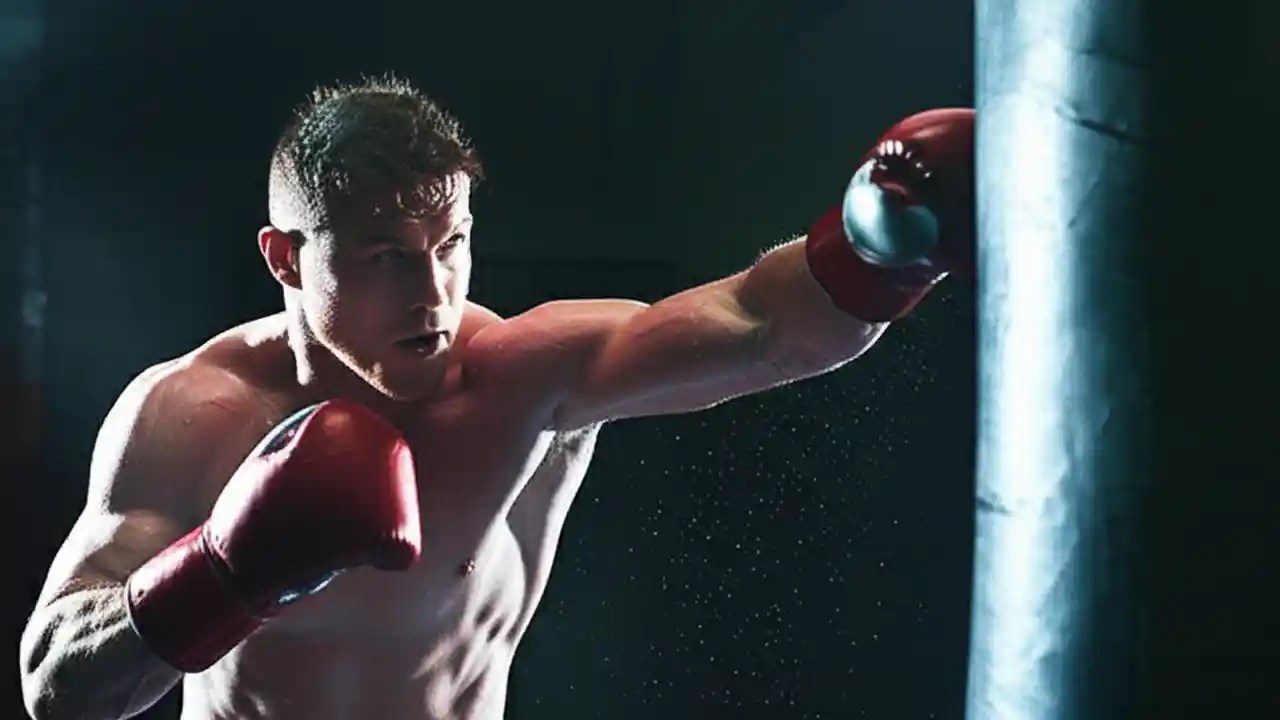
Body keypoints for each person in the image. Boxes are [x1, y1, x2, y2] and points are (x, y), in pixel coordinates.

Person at [18, 74, 974, 720]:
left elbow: (765, 328)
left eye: (449, 245)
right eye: (386, 257)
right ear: (285, 258)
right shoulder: (193, 415)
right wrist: (223, 572)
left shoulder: (526, 379)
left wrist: (880, 246)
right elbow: (53, 683)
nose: (432, 293)